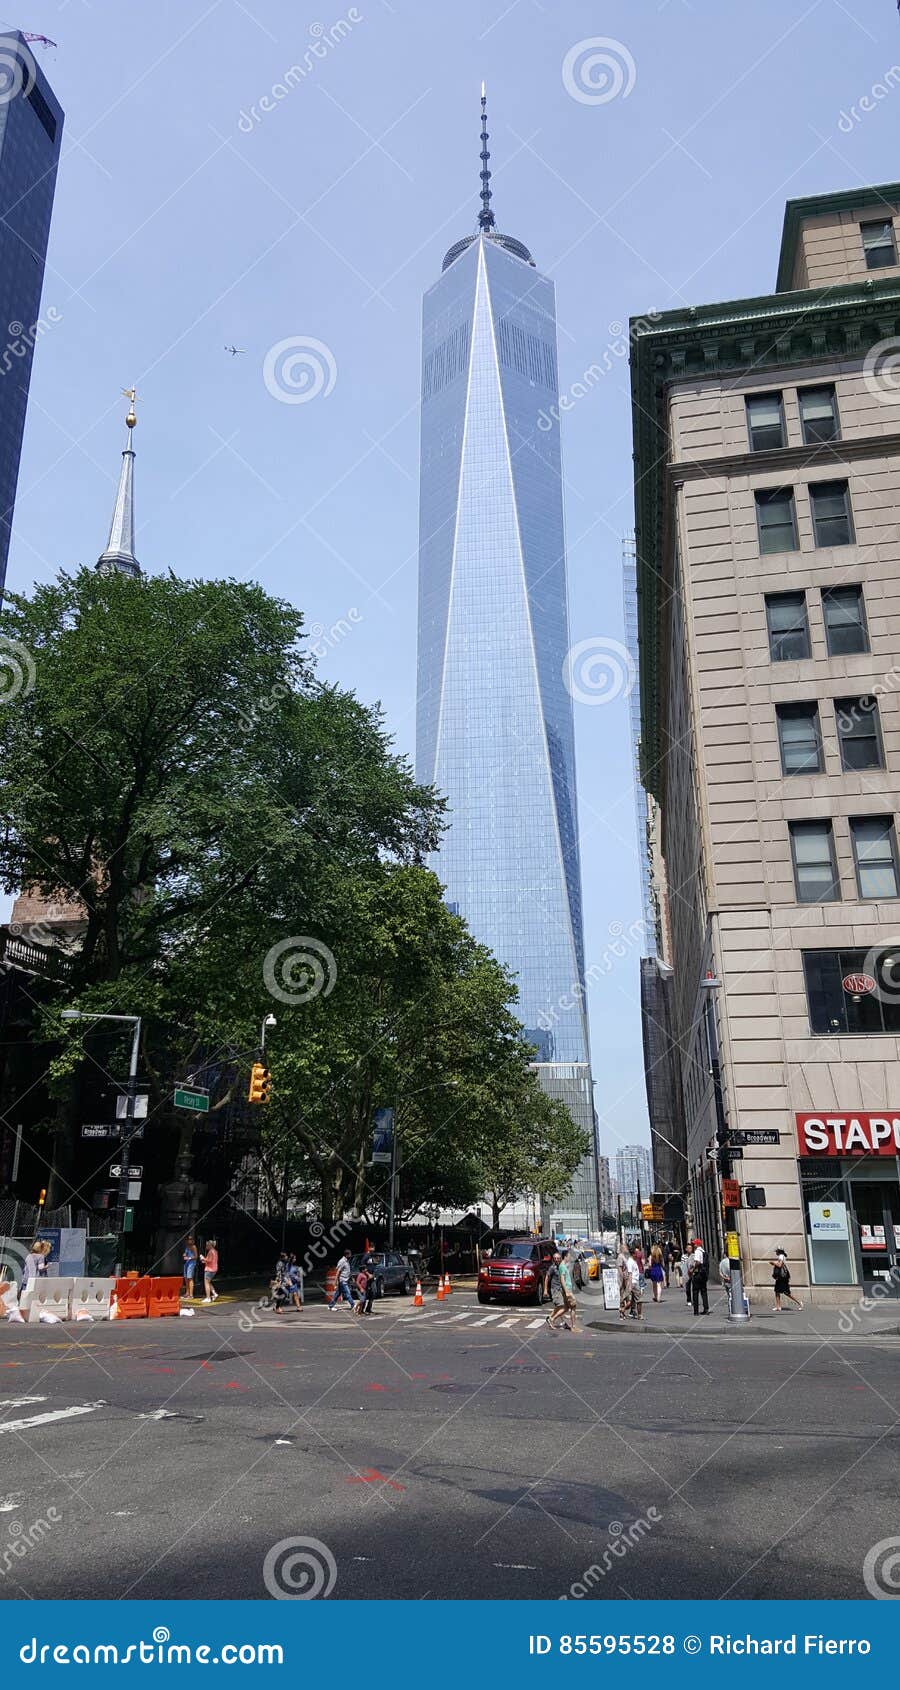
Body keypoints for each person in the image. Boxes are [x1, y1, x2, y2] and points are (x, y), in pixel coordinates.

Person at [770, 1247, 803, 1311]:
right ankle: (778, 1307)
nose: (776, 1252)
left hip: (782, 1277)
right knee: (777, 1291)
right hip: (781, 1277)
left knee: (786, 1292)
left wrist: (773, 1263)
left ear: (779, 1251)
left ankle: (799, 1302)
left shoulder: (781, 1256)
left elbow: (779, 1265)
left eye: (776, 1251)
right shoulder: (781, 1256)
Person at [545, 1249, 567, 1330]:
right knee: (561, 1305)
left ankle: (563, 1322)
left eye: (558, 1258)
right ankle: (550, 1318)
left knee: (562, 1306)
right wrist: (545, 1290)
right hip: (555, 1289)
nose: (557, 1260)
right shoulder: (552, 1267)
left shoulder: (561, 1266)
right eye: (555, 1258)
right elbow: (547, 1277)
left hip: (561, 1289)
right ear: (553, 1259)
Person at [559, 1248, 578, 1332]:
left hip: (568, 1289)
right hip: (567, 1290)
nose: (569, 1258)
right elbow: (562, 1279)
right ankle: (573, 1327)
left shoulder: (564, 1266)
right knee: (573, 1307)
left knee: (566, 1308)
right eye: (569, 1256)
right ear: (565, 1257)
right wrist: (567, 1291)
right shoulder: (562, 1266)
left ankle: (552, 1318)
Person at [690, 1237, 709, 1316]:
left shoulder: (697, 1251)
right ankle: (706, 1308)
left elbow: (697, 1262)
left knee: (695, 1292)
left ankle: (696, 1311)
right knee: (704, 1291)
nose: (693, 1245)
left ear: (697, 1244)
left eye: (694, 1243)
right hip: (704, 1274)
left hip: (698, 1274)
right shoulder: (704, 1252)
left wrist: (693, 1269)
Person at [200, 1238, 219, 1303]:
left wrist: (203, 1258)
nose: (206, 1246)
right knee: (208, 1282)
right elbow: (212, 1260)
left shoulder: (211, 1251)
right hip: (214, 1269)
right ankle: (214, 1293)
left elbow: (209, 1260)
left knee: (206, 1283)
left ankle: (208, 1298)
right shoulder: (215, 1251)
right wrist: (205, 1261)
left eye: (207, 1245)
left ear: (210, 1245)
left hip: (209, 1269)